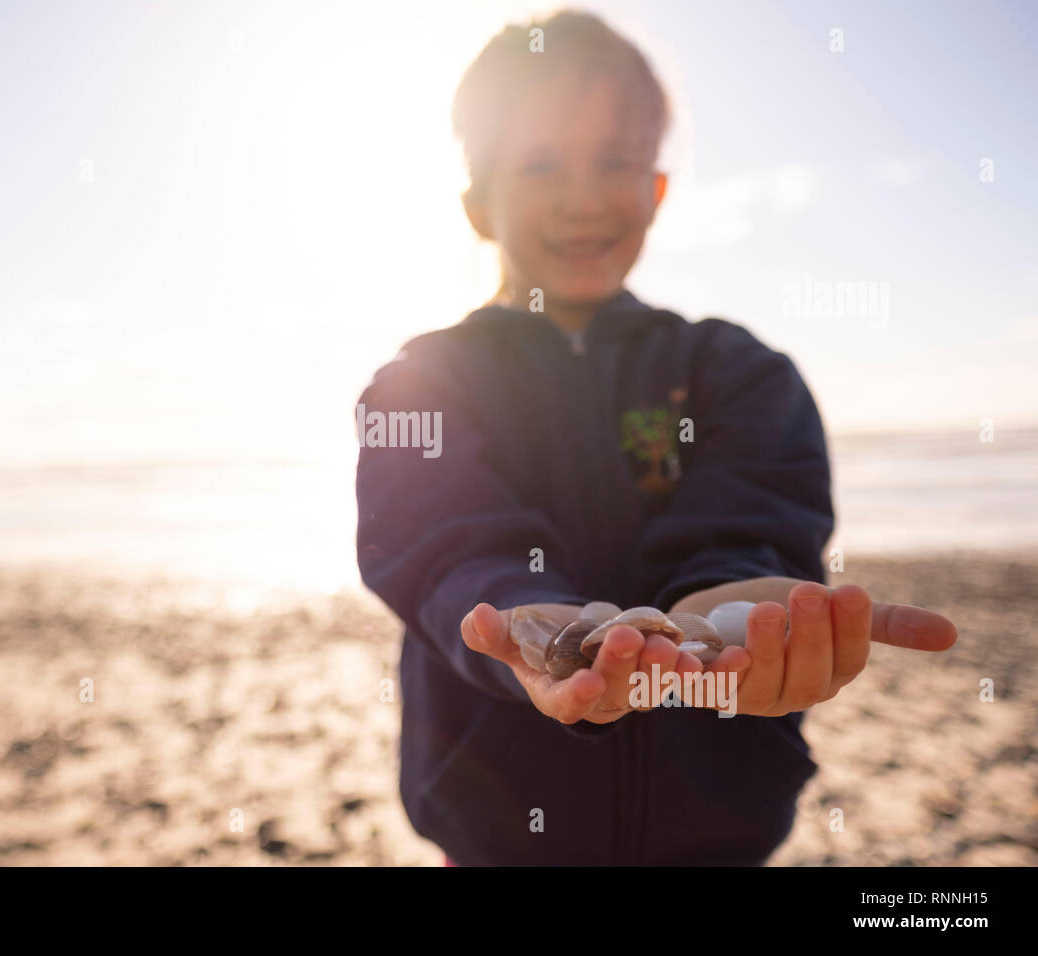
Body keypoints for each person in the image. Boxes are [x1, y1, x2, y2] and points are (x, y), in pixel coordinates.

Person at [353, 9, 956, 866]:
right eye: (539, 163)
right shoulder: (419, 387)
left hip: (713, 837)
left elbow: (750, 527)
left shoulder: (738, 371)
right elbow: (443, 548)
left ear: (658, 189)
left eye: (616, 161)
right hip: (498, 834)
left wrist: (725, 607)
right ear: (477, 202)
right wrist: (530, 627)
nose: (583, 196)